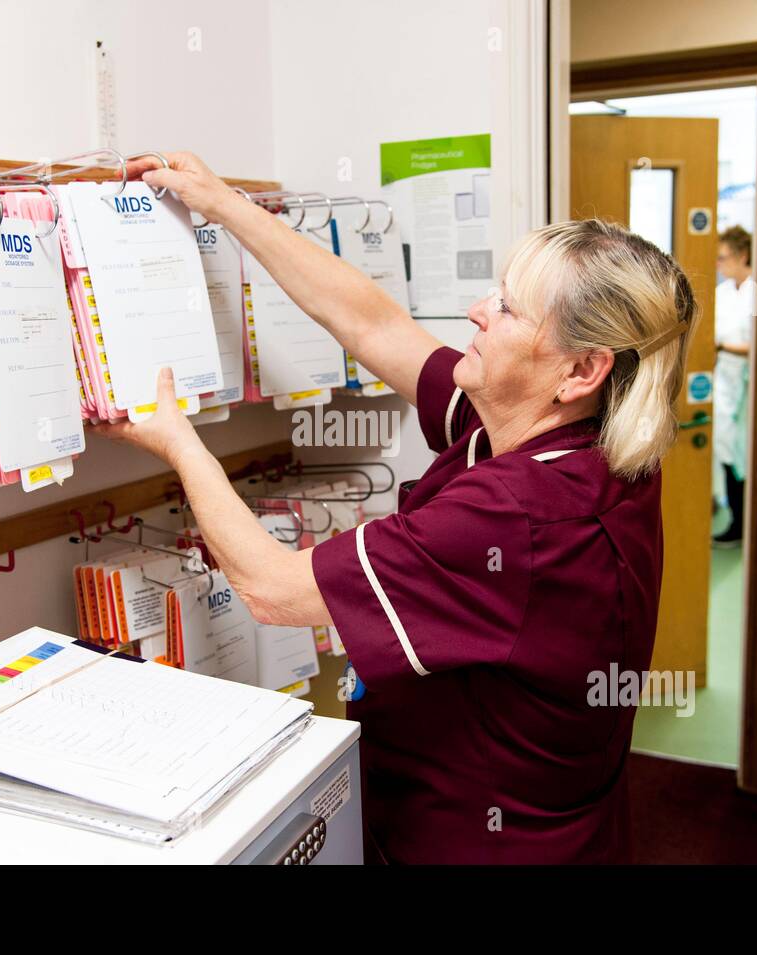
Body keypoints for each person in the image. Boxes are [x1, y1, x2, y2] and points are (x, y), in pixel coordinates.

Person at [96, 152, 699, 864]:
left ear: (580, 370)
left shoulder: (518, 517)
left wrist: (180, 445)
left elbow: (271, 587)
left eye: (508, 307)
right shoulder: (579, 437)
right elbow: (374, 325)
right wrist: (226, 205)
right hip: (567, 822)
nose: (479, 309)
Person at [712, 225, 756, 547]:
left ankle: (745, 524)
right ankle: (735, 522)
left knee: (745, 454)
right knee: (727, 451)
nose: (718, 264)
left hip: (748, 383)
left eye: (722, 257)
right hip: (723, 383)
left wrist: (723, 347)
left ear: (742, 255)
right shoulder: (723, 292)